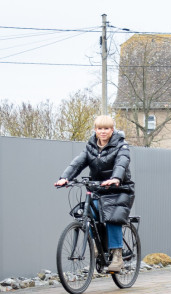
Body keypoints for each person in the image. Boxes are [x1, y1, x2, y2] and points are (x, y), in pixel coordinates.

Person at [55, 115, 134, 272]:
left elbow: (122, 162)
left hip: (119, 189)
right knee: (87, 213)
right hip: (98, 189)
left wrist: (116, 178)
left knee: (112, 216)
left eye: (106, 128)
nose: (102, 132)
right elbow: (78, 163)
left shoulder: (121, 146)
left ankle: (117, 255)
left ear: (112, 130)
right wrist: (65, 178)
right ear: (95, 130)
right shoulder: (91, 147)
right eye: (99, 128)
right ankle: (96, 247)